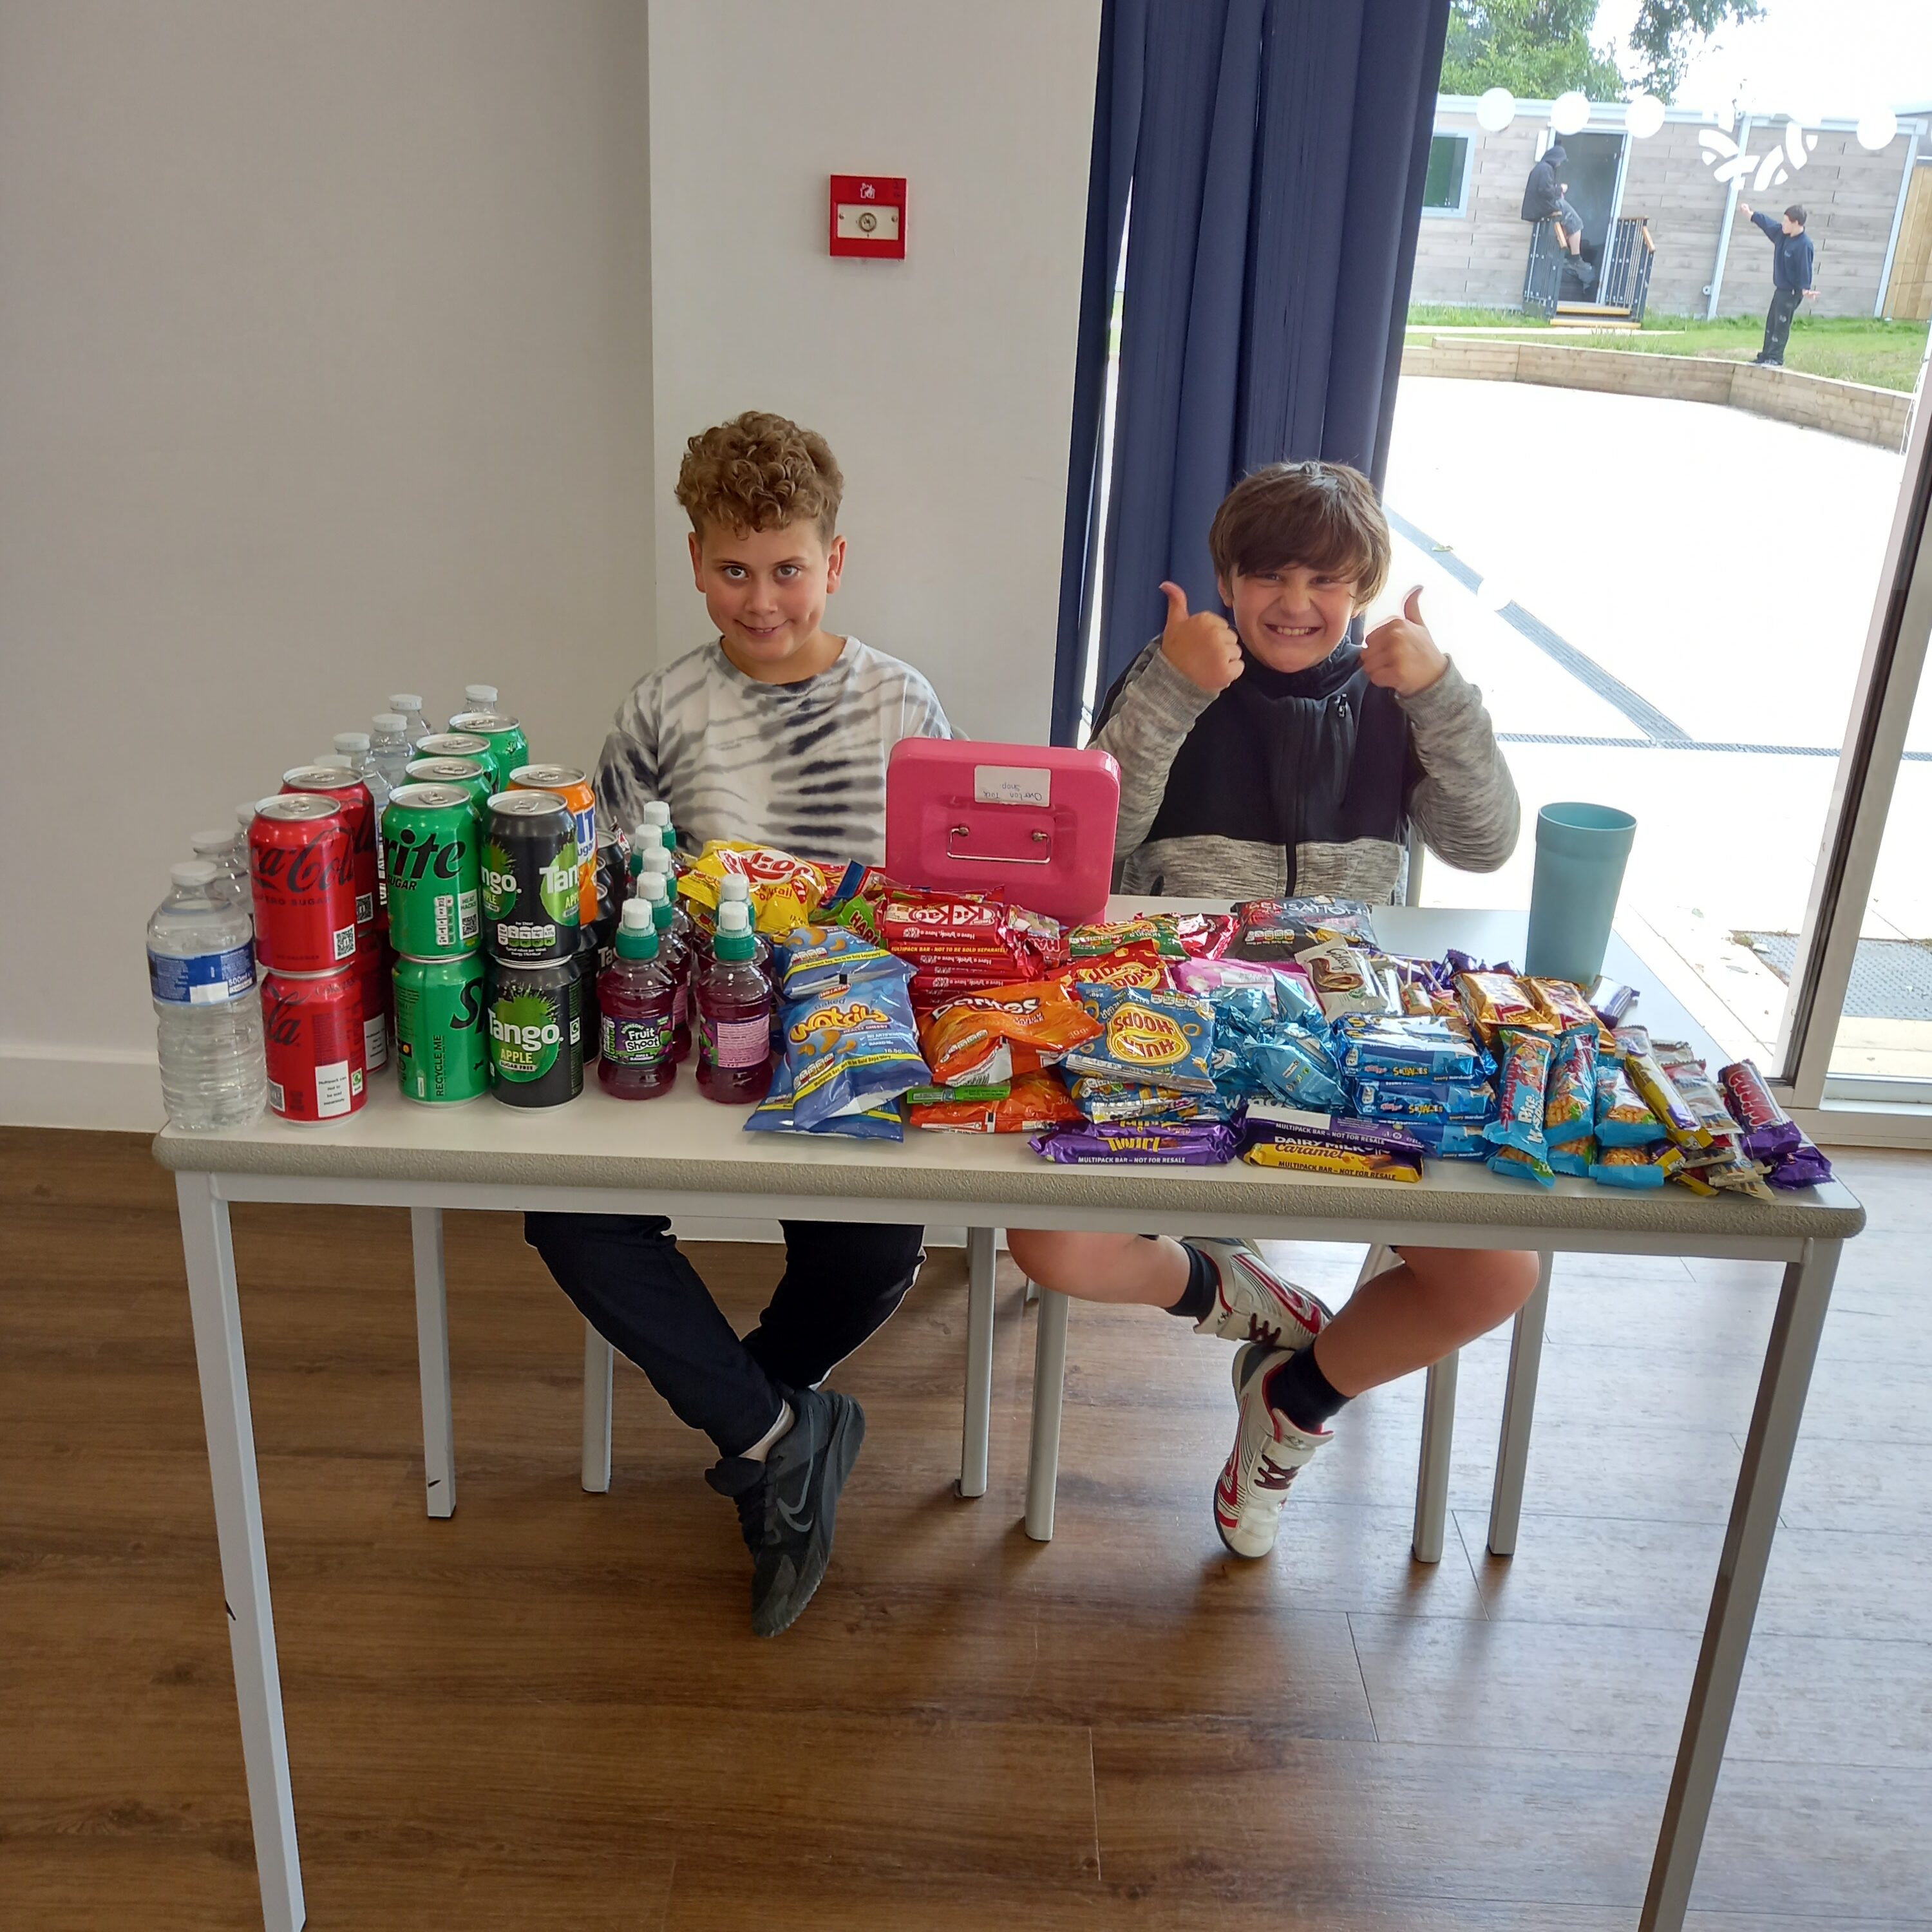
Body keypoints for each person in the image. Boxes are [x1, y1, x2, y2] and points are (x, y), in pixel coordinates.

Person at [1005, 460, 1540, 1562]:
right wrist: (1168, 687)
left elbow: (1485, 843)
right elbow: (1080, 851)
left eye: (1327, 580)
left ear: (1366, 588)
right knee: (1050, 1240)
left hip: (1354, 1056)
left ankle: (1297, 1398)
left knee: (1498, 1272)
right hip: (1175, 1044)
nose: (1296, 603)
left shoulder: (1397, 697)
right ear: (1227, 578)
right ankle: (1237, 1295)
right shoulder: (1180, 675)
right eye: (1270, 575)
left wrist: (1439, 690)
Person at [527, 410, 952, 1638]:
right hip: (691, 1034)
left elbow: (935, 894)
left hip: (845, 1037)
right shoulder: (660, 712)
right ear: (696, 559)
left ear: (835, 562)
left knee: (871, 1255)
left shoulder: (901, 704)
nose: (760, 599)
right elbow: (612, 890)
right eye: (730, 569)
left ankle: (759, 1416)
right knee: (564, 1208)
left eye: (786, 568)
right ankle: (779, 1434)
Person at [1739, 201, 1816, 367]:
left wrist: (1805, 290)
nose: (1783, 224)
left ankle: (1776, 358)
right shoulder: (1782, 235)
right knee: (1772, 323)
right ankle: (1765, 355)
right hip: (1780, 289)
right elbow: (1767, 224)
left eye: (1787, 221)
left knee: (1781, 323)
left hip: (1792, 292)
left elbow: (1805, 269)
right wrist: (1749, 214)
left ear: (1796, 224)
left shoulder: (1804, 245)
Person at [1520, 140, 1591, 282]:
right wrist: (1560, 189)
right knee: (1576, 223)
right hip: (1544, 206)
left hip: (1537, 207)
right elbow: (1546, 191)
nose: (1560, 164)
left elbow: (1543, 188)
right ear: (1556, 159)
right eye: (1560, 161)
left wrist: (1557, 190)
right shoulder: (1546, 168)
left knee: (1568, 225)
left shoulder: (1540, 168)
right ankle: (1575, 259)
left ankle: (1563, 254)